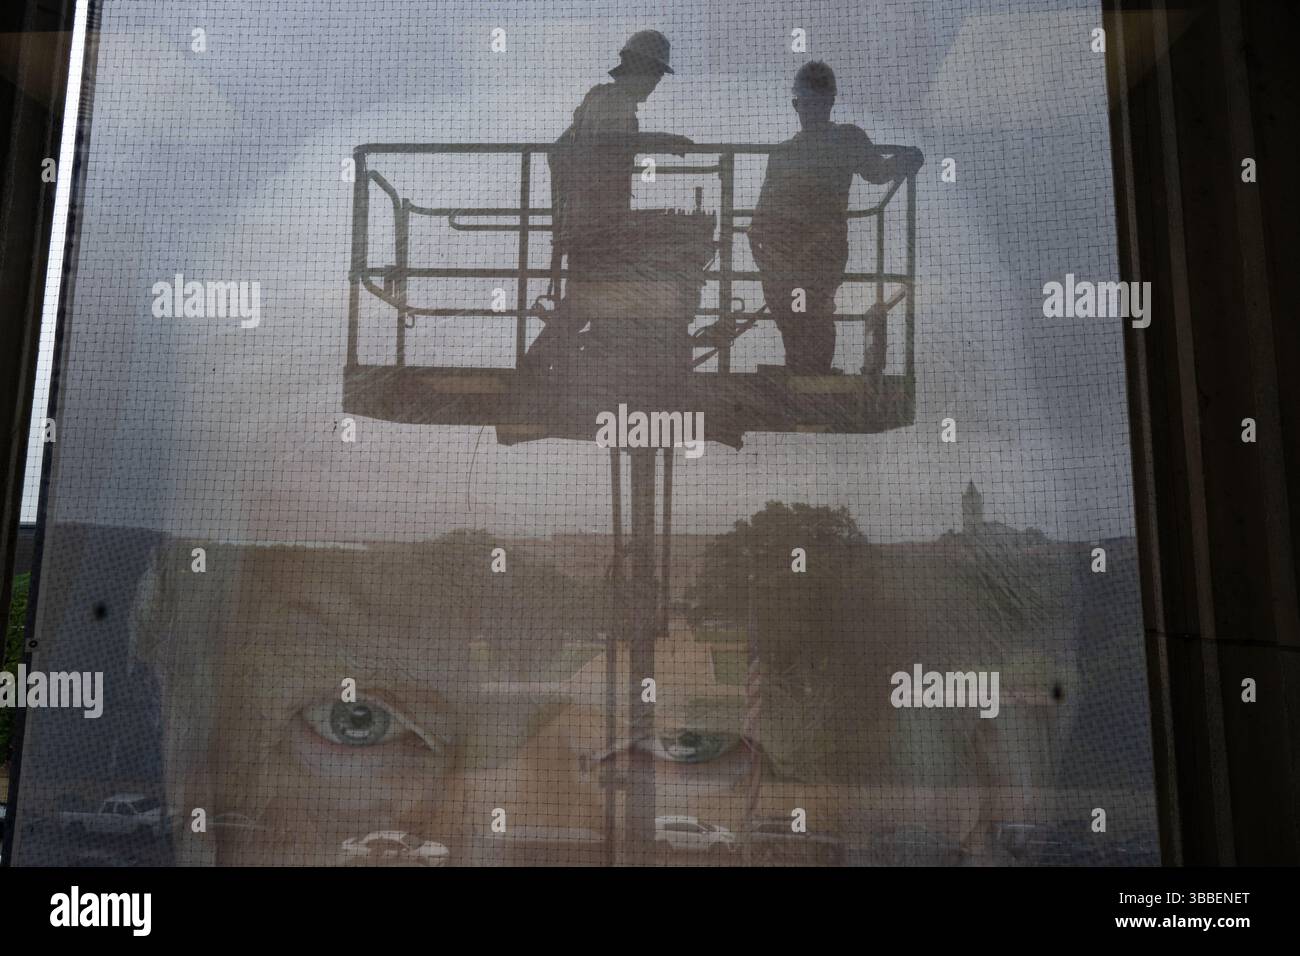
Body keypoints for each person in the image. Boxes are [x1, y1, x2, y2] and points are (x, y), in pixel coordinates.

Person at [526, 30, 693, 372]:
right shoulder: (615, 101)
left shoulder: (598, 98)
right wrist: (663, 140)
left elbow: (559, 151)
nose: (655, 83)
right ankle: (535, 367)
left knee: (595, 300)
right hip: (597, 225)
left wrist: (567, 206)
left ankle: (580, 364)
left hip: (590, 221)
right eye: (656, 74)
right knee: (592, 301)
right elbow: (610, 143)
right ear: (641, 68)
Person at [747, 61, 923, 375]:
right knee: (806, 314)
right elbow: (761, 219)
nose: (812, 110)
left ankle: (807, 371)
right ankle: (807, 371)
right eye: (809, 103)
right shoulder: (815, 147)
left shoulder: (836, 142)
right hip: (802, 255)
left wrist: (904, 160)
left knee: (808, 313)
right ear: (799, 104)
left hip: (810, 256)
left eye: (817, 103)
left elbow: (877, 171)